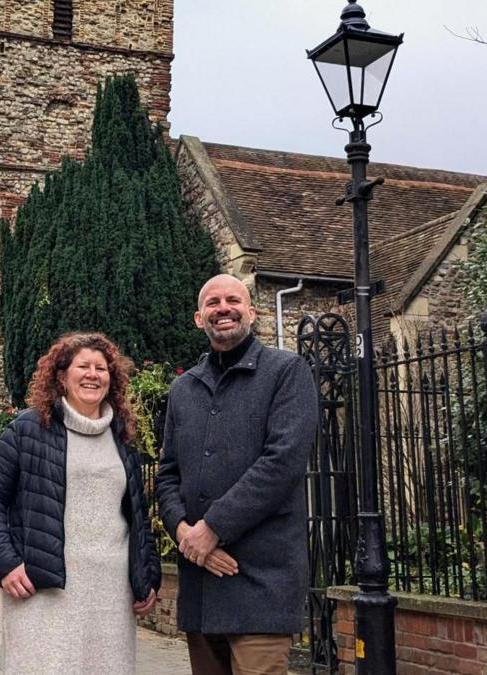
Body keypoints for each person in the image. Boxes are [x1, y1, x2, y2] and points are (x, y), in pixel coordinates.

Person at [156, 274, 320, 675]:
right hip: (201, 585)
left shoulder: (287, 372)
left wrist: (212, 528)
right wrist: (185, 534)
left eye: (233, 300)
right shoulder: (183, 389)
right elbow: (167, 475)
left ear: (252, 312)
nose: (223, 308)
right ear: (199, 318)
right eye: (212, 303)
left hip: (260, 584)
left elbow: (282, 464)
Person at [0, 332, 161, 675]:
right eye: (83, 366)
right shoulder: (27, 429)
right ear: (61, 376)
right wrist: (5, 564)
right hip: (44, 591)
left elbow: (138, 515)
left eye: (101, 368)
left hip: (111, 596)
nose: (93, 375)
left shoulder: (122, 438)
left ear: (112, 379)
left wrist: (148, 576)